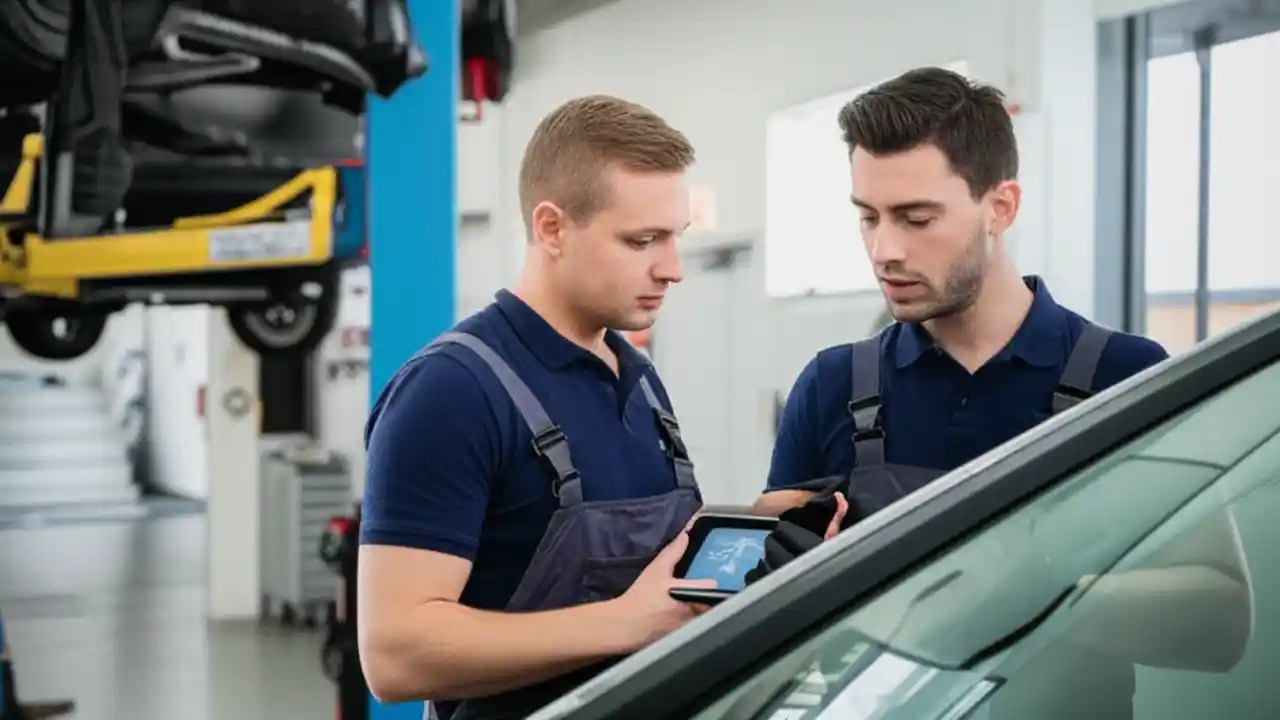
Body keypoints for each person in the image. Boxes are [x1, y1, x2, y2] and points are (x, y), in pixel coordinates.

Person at [356, 95, 714, 720]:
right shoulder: (450, 393)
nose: (672, 268)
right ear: (552, 228)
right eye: (643, 240)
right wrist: (625, 624)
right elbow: (394, 655)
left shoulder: (641, 381)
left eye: (675, 237)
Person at [751, 66, 1170, 556]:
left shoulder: (1127, 376)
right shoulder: (831, 385)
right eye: (868, 217)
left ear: (1001, 207)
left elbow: (1218, 597)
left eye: (917, 219)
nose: (884, 249)